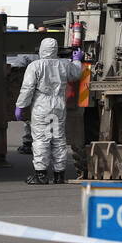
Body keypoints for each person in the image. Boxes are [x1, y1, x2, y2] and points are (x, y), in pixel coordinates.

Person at [14, 37, 78, 185]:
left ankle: (41, 175)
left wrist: (21, 106)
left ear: (42, 49)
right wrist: (77, 60)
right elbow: (76, 74)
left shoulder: (35, 66)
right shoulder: (64, 64)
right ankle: (59, 175)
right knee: (58, 139)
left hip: (42, 106)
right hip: (59, 105)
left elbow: (28, 88)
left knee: (42, 139)